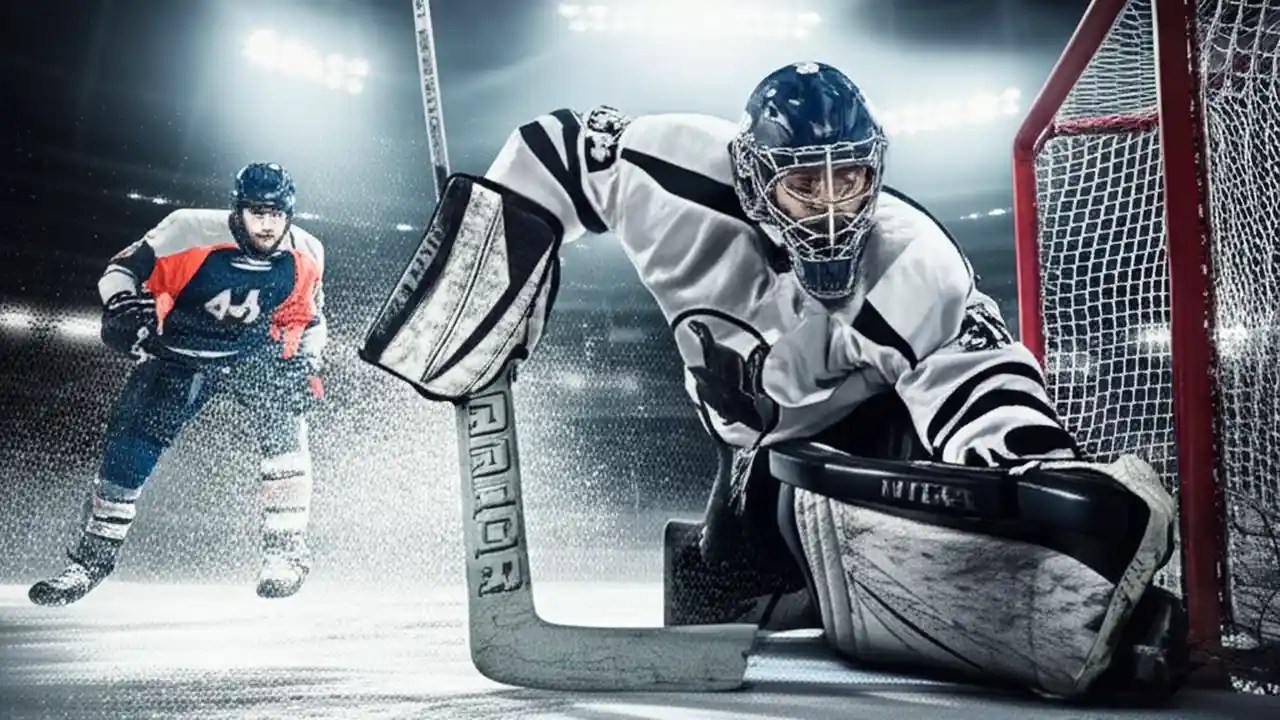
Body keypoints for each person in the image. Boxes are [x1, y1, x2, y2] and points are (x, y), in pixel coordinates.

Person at [477, 61, 1182, 697]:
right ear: (753, 178)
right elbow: (557, 151)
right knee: (717, 595)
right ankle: (805, 573)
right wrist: (483, 273)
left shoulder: (912, 261)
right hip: (756, 447)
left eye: (848, 177)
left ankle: (943, 582)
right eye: (805, 184)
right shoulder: (674, 178)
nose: (834, 208)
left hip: (873, 436)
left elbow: (979, 385)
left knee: (823, 511)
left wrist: (1035, 475)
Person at [29, 162, 327, 606]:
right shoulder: (187, 230)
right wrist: (123, 305)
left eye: (277, 213)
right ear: (237, 209)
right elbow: (119, 271)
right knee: (129, 449)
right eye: (257, 212)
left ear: (290, 213)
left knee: (287, 424)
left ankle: (286, 552)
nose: (268, 224)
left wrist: (308, 363)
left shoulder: (307, 251)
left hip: (253, 356)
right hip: (180, 356)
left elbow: (310, 318)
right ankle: (90, 561)